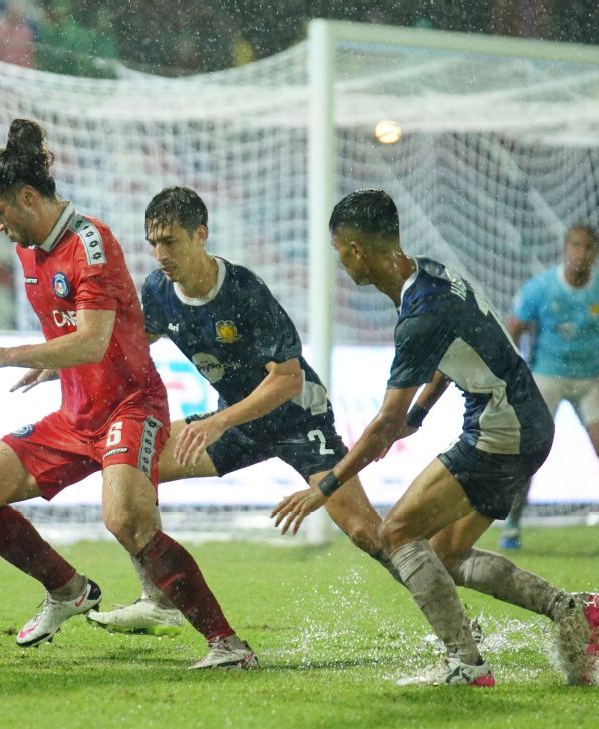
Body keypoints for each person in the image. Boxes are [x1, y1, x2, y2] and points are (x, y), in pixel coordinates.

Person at [0, 119, 256, 669]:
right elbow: (74, 332)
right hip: (74, 415)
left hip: (131, 407)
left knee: (126, 522)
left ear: (28, 197)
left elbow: (91, 341)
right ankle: (67, 590)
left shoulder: (91, 242)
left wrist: (8, 355)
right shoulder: (29, 247)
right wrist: (49, 366)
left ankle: (228, 646)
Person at [271, 189, 599, 687]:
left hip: (501, 430)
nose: (341, 263)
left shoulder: (418, 316)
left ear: (358, 251)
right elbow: (447, 357)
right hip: (525, 423)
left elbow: (384, 422)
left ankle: (467, 664)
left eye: (340, 252)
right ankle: (572, 611)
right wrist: (421, 414)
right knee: (444, 555)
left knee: (397, 533)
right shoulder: (432, 274)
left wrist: (326, 486)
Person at [83, 185, 393, 634]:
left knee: (366, 532)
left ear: (200, 234)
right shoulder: (158, 289)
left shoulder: (244, 291)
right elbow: (133, 346)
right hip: (238, 423)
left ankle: (448, 599)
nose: (160, 254)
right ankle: (159, 600)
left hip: (298, 421)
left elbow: (287, 380)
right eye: (153, 243)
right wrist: (69, 362)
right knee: (133, 467)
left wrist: (218, 422)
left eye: (170, 241)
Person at [502, 224, 599, 552]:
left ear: (596, 253)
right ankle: (511, 525)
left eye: (587, 247)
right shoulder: (542, 287)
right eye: (575, 245)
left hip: (589, 379)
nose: (580, 253)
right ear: (565, 249)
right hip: (546, 377)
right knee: (529, 451)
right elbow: (513, 328)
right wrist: (513, 376)